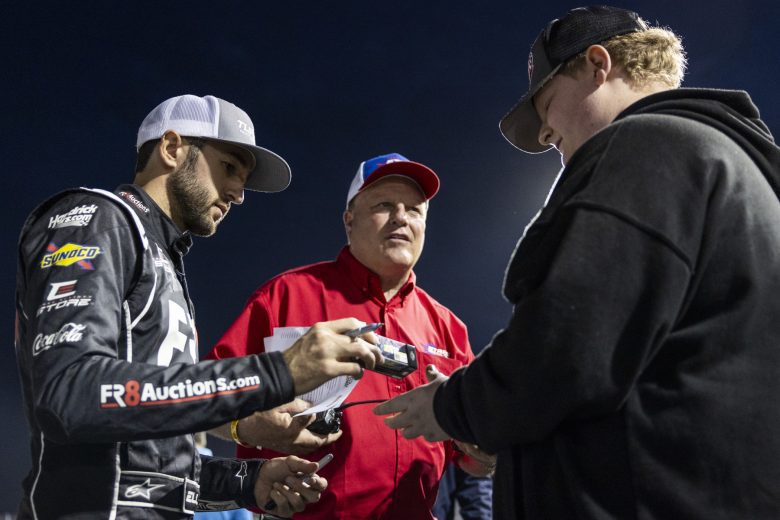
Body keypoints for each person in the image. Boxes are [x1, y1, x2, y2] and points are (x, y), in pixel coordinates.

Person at [374, 5, 780, 519]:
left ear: (597, 65)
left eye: (546, 104)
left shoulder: (645, 146)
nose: (545, 133)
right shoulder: (729, 164)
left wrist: (448, 407)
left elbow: (563, 350)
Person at [14, 94, 384, 519]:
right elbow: (70, 394)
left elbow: (144, 465)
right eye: (228, 167)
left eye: (243, 178)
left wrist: (246, 481)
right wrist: (278, 372)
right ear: (172, 148)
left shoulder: (165, 261)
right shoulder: (97, 218)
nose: (238, 193)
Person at [207, 153, 496, 519]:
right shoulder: (284, 297)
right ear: (349, 219)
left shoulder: (448, 327)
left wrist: (486, 449)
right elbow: (204, 400)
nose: (401, 218)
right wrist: (246, 428)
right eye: (384, 205)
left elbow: (473, 460)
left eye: (414, 210)